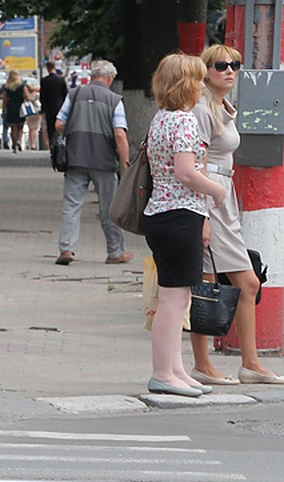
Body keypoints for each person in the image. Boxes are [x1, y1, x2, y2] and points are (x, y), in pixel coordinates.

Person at [189, 45, 284, 385]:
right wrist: (200, 214)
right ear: (205, 70)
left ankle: (248, 363)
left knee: (241, 282)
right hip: (209, 197)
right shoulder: (201, 109)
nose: (229, 70)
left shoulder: (220, 106)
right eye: (221, 65)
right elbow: (195, 161)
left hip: (222, 196)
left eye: (235, 65)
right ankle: (205, 364)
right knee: (211, 282)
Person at [142, 53, 227, 397]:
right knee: (174, 302)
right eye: (197, 79)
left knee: (172, 298)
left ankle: (176, 370)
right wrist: (216, 190)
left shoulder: (160, 118)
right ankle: (164, 372)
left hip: (161, 213)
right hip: (181, 214)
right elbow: (186, 172)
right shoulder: (186, 121)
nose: (201, 85)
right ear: (185, 84)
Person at [54, 60, 133, 266]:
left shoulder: (75, 94)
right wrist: (125, 164)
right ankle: (115, 252)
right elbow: (119, 134)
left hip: (76, 158)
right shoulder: (114, 100)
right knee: (109, 208)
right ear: (109, 78)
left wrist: (74, 136)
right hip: (104, 161)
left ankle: (67, 248)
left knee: (71, 205)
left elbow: (59, 123)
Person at [40, 62, 68, 149]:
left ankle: (52, 144)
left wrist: (43, 108)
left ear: (47, 68)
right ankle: (60, 143)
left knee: (50, 127)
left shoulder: (44, 80)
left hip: (49, 108)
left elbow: (43, 95)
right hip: (59, 107)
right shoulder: (61, 79)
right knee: (59, 126)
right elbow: (65, 94)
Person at [1, 70, 30, 153]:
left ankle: (14, 146)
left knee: (13, 128)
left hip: (10, 107)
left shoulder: (7, 86)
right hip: (20, 107)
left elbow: (4, 100)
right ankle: (18, 141)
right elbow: (27, 96)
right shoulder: (22, 85)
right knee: (20, 127)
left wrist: (3, 111)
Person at [24, 78, 43, 150]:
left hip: (29, 112)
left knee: (30, 129)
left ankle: (30, 143)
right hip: (36, 112)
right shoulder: (36, 94)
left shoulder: (26, 95)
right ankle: (33, 145)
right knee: (35, 129)